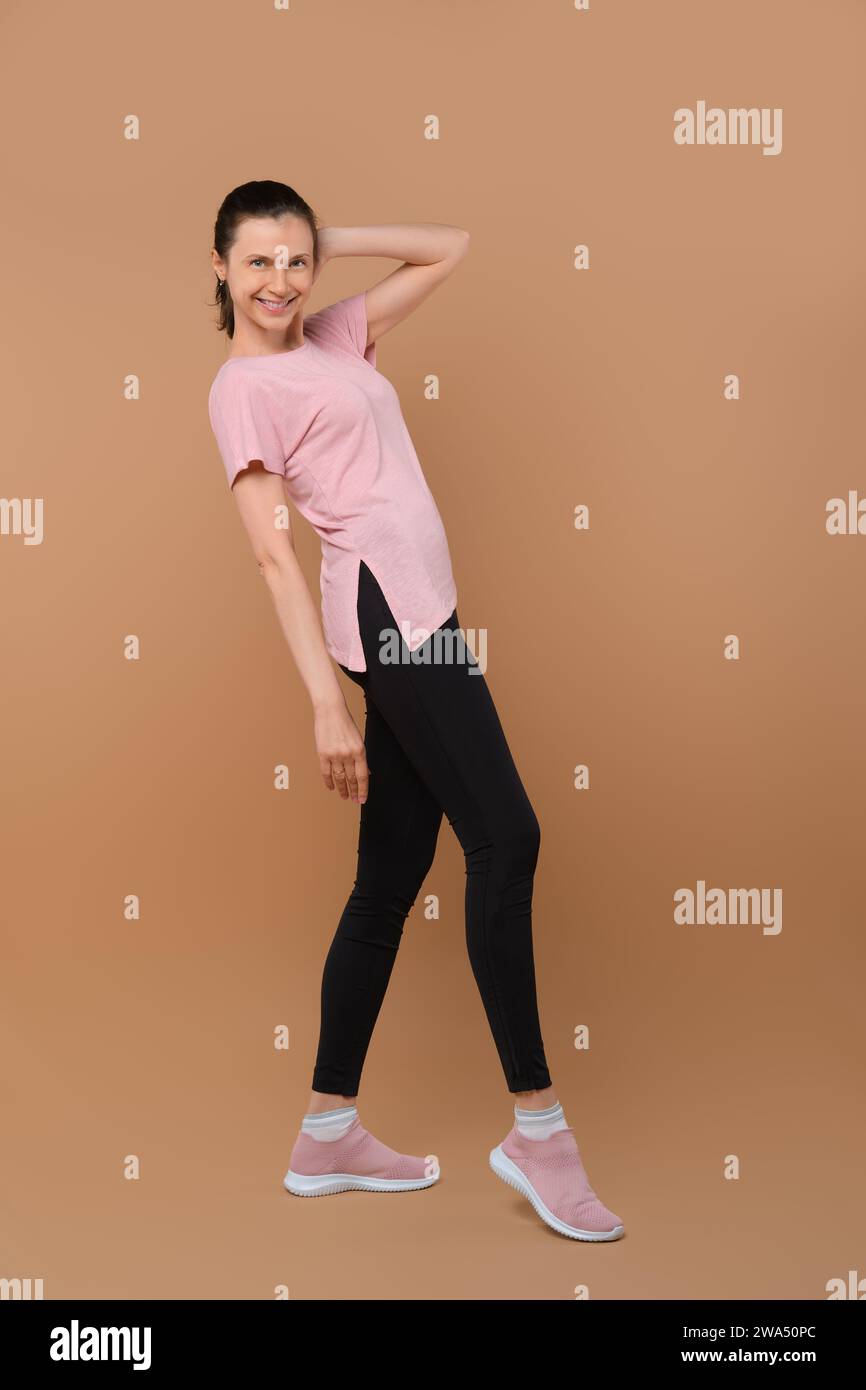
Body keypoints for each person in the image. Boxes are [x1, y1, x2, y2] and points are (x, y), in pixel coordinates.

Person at [207, 181, 623, 1242]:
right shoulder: (242, 389)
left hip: (418, 604)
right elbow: (271, 554)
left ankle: (326, 1131)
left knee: (388, 878)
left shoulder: (335, 336)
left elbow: (448, 247)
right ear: (220, 271)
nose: (279, 280)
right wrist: (323, 707)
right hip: (386, 617)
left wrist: (324, 240)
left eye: (293, 260)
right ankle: (538, 1130)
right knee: (508, 837)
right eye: (256, 261)